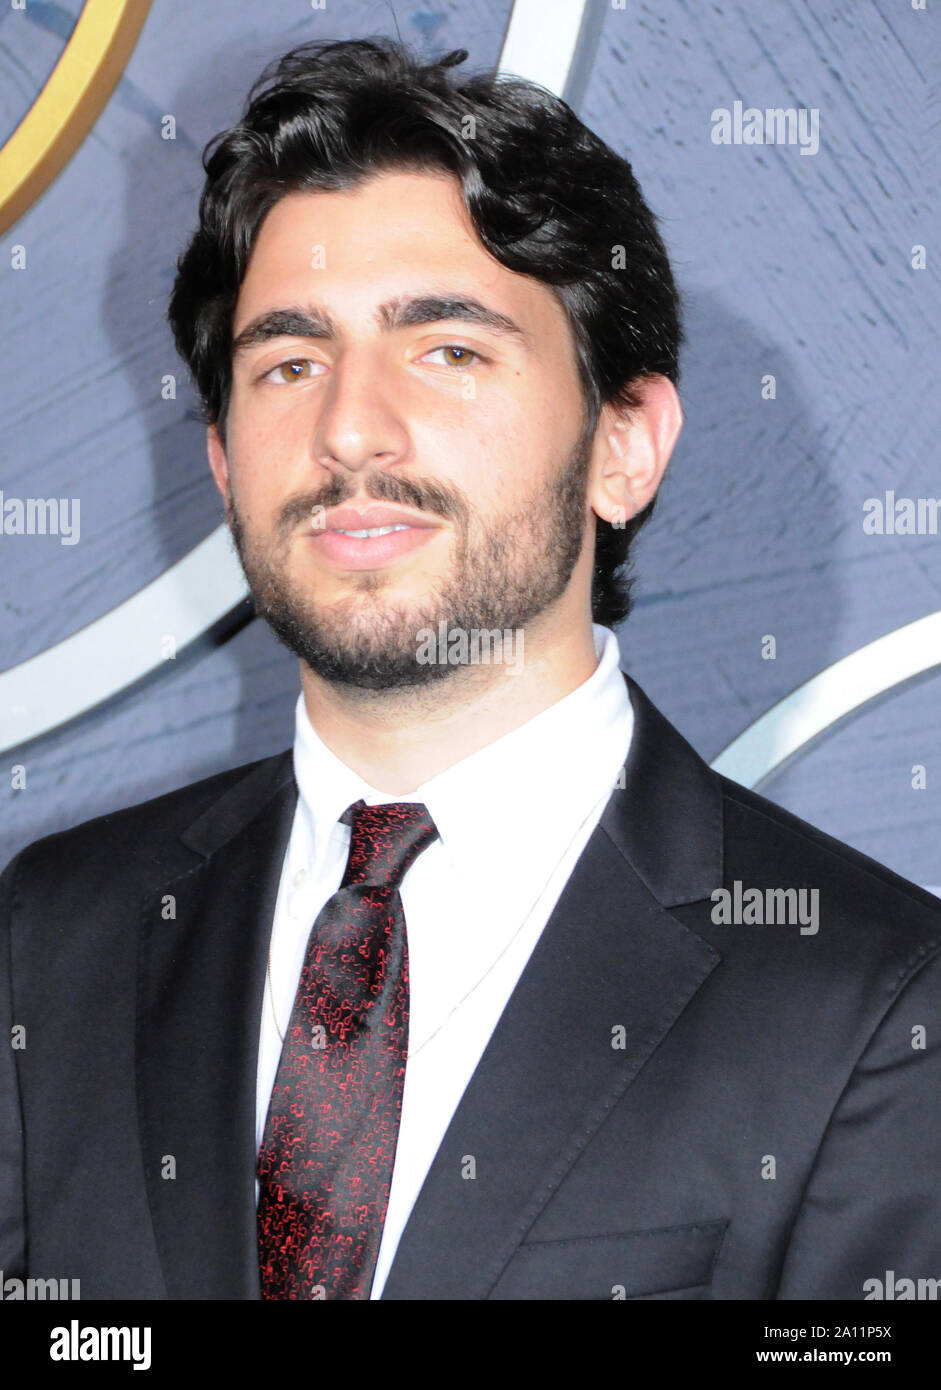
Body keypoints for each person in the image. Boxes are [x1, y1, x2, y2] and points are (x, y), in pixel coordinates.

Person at [2, 36, 939, 1302]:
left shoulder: (873, 1003)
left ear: (624, 447)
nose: (348, 427)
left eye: (446, 349)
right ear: (223, 461)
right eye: (288, 361)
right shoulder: (52, 937)